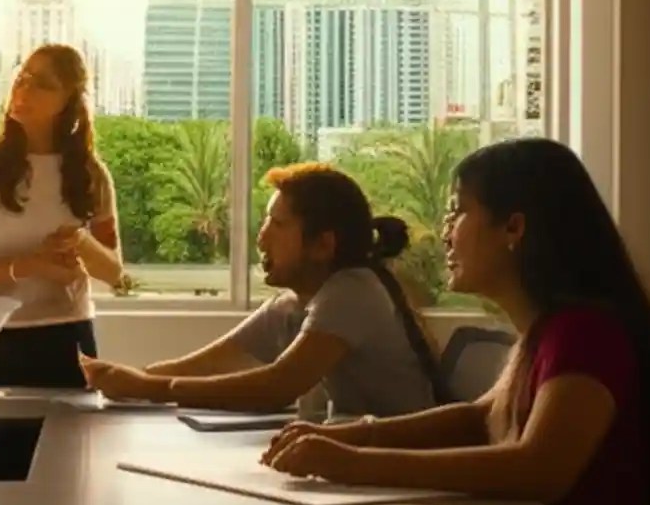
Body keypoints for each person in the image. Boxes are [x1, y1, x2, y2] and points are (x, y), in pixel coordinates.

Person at [261, 139, 650, 505]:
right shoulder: (548, 332)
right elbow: (476, 419)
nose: (447, 229)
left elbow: (538, 469)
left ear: (513, 228)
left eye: (459, 210)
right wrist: (353, 439)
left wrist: (353, 464)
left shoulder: (586, 334)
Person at [80, 162, 440, 416]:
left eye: (278, 225)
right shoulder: (292, 305)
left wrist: (148, 388)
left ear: (322, 245)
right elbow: (201, 366)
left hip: (408, 471)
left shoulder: (353, 291)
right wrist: (126, 378)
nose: (262, 238)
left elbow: (277, 386)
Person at [0, 43, 124, 387]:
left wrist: (79, 241)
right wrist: (29, 265)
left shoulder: (90, 174)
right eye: (22, 77)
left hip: (68, 336)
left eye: (42, 83)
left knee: (67, 440)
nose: (24, 88)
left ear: (68, 100)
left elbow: (114, 272)